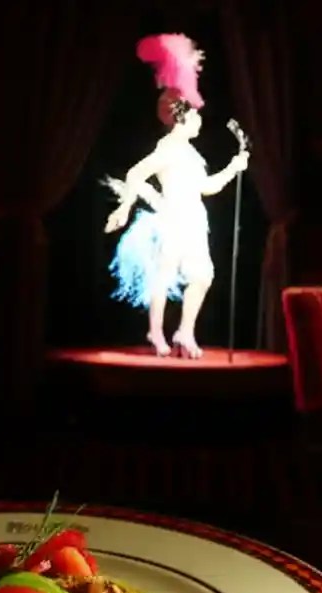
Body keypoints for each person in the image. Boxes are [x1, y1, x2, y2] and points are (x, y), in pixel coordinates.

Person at [104, 36, 249, 359]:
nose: (200, 119)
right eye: (195, 115)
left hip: (195, 220)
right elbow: (135, 174)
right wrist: (125, 206)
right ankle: (156, 331)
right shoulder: (167, 149)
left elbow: (207, 188)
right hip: (173, 220)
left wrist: (233, 167)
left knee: (203, 275)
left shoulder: (193, 154)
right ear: (182, 119)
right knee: (165, 275)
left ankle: (185, 330)